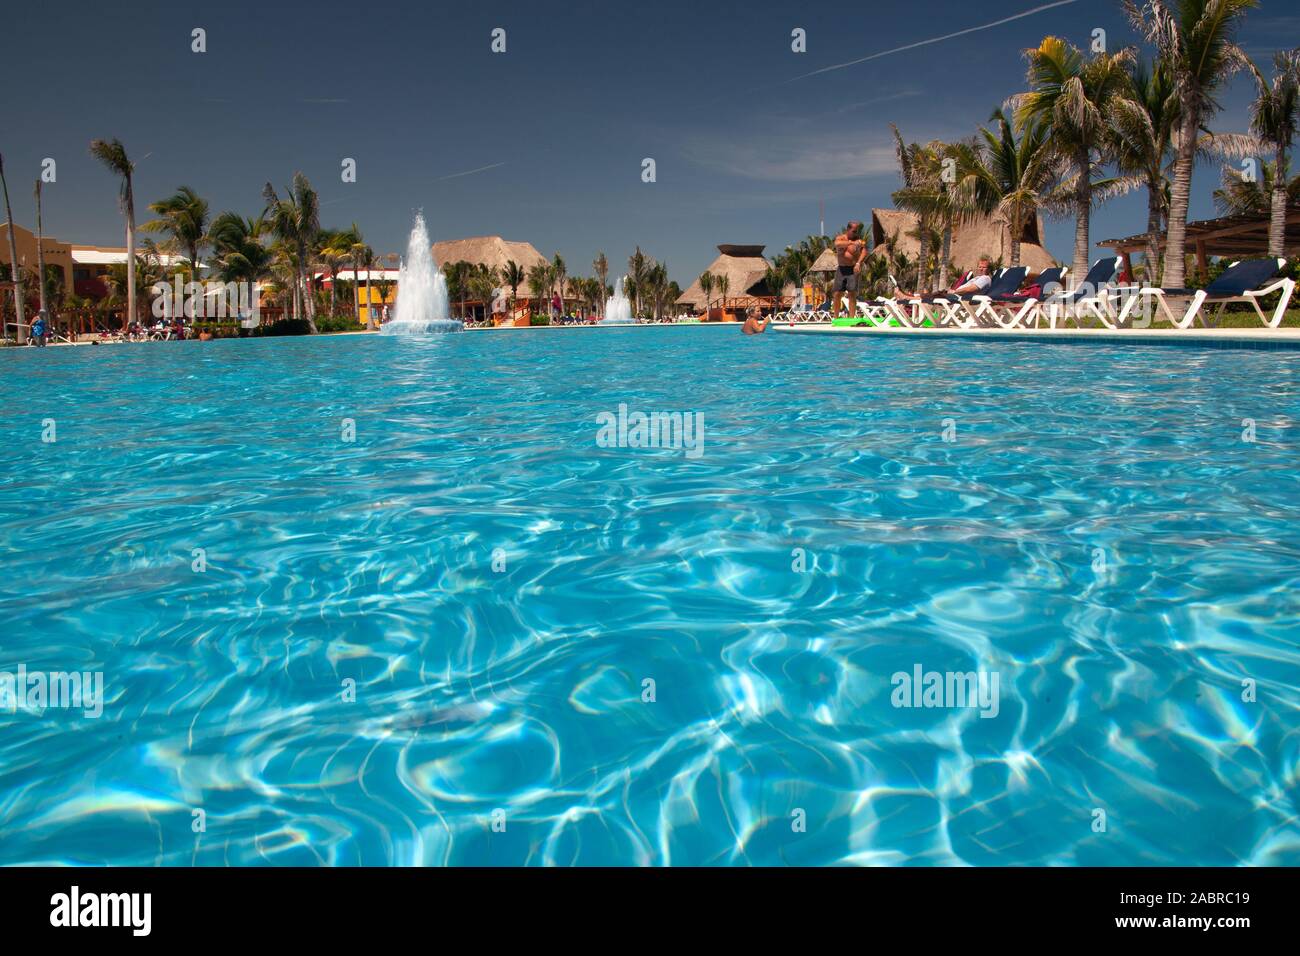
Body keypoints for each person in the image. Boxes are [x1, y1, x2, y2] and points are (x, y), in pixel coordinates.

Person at [830, 221, 868, 318]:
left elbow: (864, 252)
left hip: (852, 269)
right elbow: (837, 244)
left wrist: (858, 263)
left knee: (852, 293)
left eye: (857, 231)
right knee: (837, 293)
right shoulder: (841, 238)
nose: (856, 233)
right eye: (854, 231)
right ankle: (836, 317)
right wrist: (851, 243)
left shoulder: (859, 240)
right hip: (841, 269)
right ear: (848, 229)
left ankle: (851, 318)